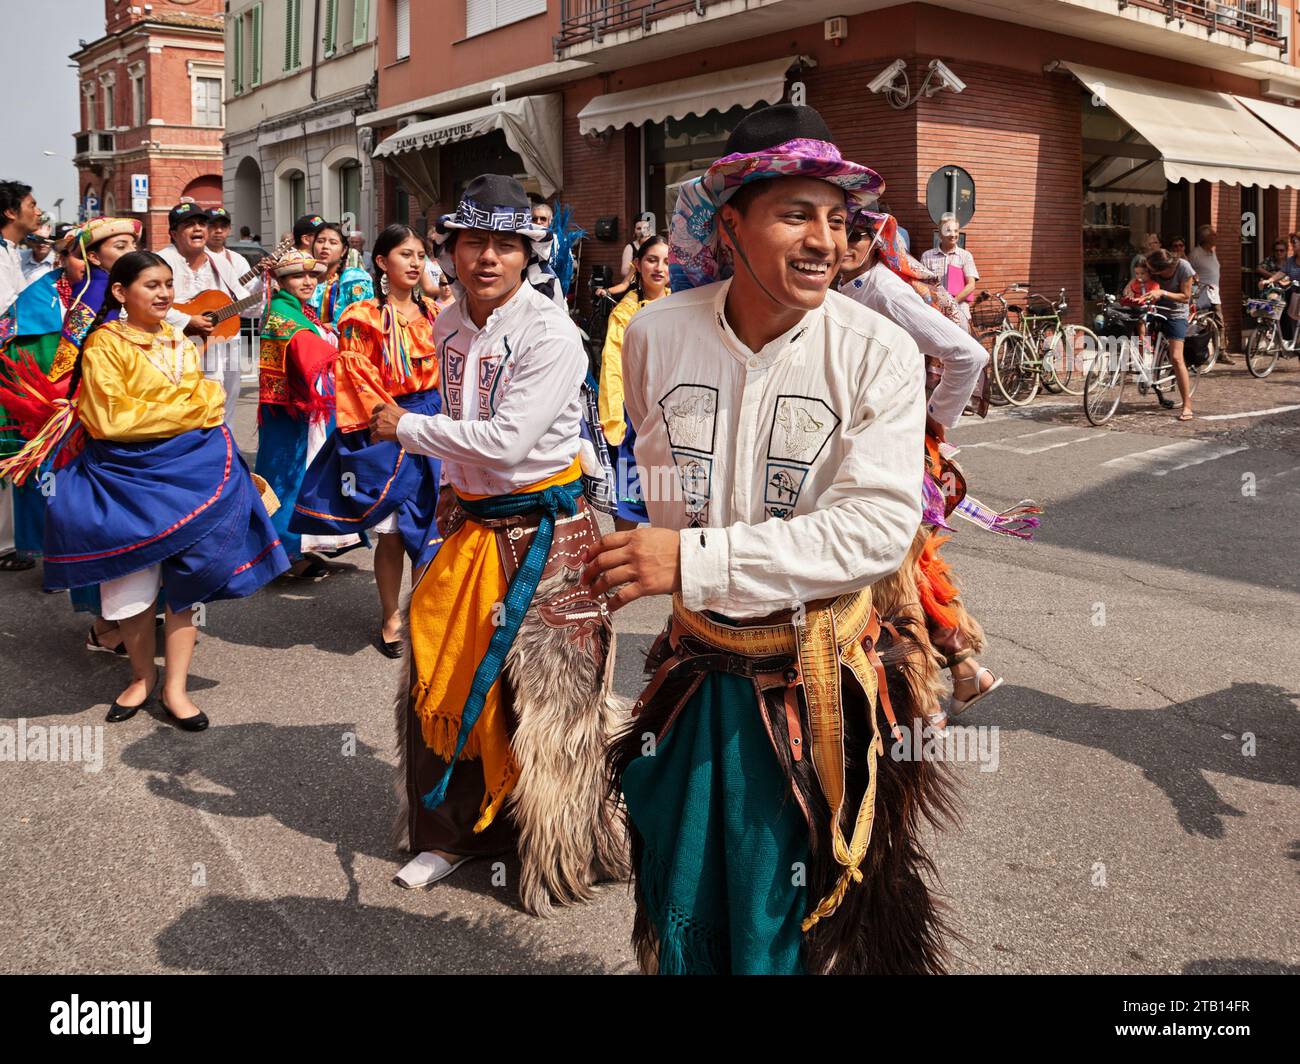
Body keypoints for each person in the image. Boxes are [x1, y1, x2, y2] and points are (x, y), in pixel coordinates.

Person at [588, 104, 952, 974]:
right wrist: (655, 547)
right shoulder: (656, 334)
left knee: (798, 919)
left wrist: (693, 559)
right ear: (731, 224)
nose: (825, 238)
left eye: (838, 218)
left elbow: (873, 531)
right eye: (796, 212)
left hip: (814, 689)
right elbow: (658, 469)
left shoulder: (879, 353)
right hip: (695, 672)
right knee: (683, 896)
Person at [367, 173, 627, 913]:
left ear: (527, 254)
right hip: (477, 526)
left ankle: (556, 847)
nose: (487, 257)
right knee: (445, 681)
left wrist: (405, 430)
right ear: (451, 251)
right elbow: (463, 418)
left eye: (504, 244)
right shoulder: (448, 323)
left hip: (550, 534)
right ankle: (451, 835)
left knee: (552, 704)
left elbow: (511, 442)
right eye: (473, 241)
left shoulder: (552, 334)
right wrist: (450, 480)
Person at [0, 251, 288, 729]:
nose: (164, 294)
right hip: (123, 478)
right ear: (119, 292)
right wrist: (186, 408)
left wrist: (175, 406)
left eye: (168, 284)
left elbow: (212, 400)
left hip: (190, 472)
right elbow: (113, 419)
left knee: (187, 579)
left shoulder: (178, 339)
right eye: (151, 284)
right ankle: (140, 677)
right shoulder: (103, 345)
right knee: (131, 587)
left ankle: (175, 686)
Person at [837, 210, 1013, 726]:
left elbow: (967, 354)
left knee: (889, 575)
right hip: (863, 447)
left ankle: (920, 701)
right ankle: (964, 671)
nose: (844, 243)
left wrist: (933, 420)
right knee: (907, 567)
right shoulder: (843, 287)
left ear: (875, 242)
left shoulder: (884, 291)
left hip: (893, 449)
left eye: (857, 235)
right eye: (837, 231)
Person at [290, 224, 442, 656]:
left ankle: (423, 612)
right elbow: (356, 375)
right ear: (381, 262)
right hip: (388, 423)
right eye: (404, 255)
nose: (414, 263)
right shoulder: (362, 316)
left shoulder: (435, 313)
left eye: (419, 255)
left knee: (431, 524)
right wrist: (394, 423)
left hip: (433, 421)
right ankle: (391, 614)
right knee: (392, 531)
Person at [254, 246, 359, 579]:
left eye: (313, 274)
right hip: (293, 416)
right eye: (297, 275)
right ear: (281, 280)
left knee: (308, 478)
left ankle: (306, 548)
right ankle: (283, 555)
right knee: (290, 481)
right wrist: (354, 359)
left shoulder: (302, 311)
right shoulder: (283, 315)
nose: (308, 281)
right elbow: (312, 353)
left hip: (305, 412)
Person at [597, 234, 670, 530]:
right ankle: (618, 567)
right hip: (636, 417)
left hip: (668, 415)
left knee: (668, 499)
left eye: (667, 261)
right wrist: (614, 417)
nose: (660, 268)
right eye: (652, 260)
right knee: (630, 500)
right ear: (638, 264)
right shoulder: (624, 313)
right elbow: (612, 367)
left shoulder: (681, 305)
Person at [158, 203, 245, 429]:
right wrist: (188, 320)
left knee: (227, 401)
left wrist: (267, 291)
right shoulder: (160, 262)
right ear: (174, 234)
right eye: (189, 224)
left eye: (201, 223)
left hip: (223, 343)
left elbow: (246, 303)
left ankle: (225, 450)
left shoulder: (220, 263)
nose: (198, 228)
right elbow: (144, 305)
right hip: (175, 346)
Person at [0, 181, 46, 574]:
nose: (38, 210)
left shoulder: (13, 253)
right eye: (31, 204)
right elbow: (6, 315)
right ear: (11, 212)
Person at [1139, 247, 1196, 420]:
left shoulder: (1184, 267)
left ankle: (1187, 404)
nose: (1149, 271)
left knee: (1177, 358)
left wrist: (1162, 292)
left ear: (1162, 269)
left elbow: (1186, 296)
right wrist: (1129, 288)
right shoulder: (1151, 267)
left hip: (1176, 313)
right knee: (1135, 326)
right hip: (1155, 308)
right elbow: (1138, 277)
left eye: (1152, 270)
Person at [310, 220, 373, 328]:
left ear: (344, 250)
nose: (325, 246)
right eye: (320, 241)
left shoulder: (353, 280)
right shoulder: (306, 279)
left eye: (333, 242)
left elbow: (364, 323)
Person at [921, 212, 978, 327]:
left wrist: (953, 302)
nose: (953, 234)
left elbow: (971, 284)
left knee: (962, 345)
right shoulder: (927, 256)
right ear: (940, 235)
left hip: (960, 312)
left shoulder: (965, 256)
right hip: (935, 312)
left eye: (956, 231)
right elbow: (922, 285)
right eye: (948, 231)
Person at [1188, 224, 1232, 364]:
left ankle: (1222, 352)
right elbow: (1188, 273)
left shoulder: (1212, 252)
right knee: (1202, 324)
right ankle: (1200, 352)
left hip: (1214, 294)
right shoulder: (1196, 254)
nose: (1216, 237)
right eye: (1213, 235)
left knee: (1219, 323)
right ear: (1205, 238)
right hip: (1201, 294)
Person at [595, 215, 653, 301]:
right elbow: (624, 284)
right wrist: (606, 290)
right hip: (638, 296)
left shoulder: (660, 249)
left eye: (645, 229)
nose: (642, 232)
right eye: (639, 228)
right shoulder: (636, 263)